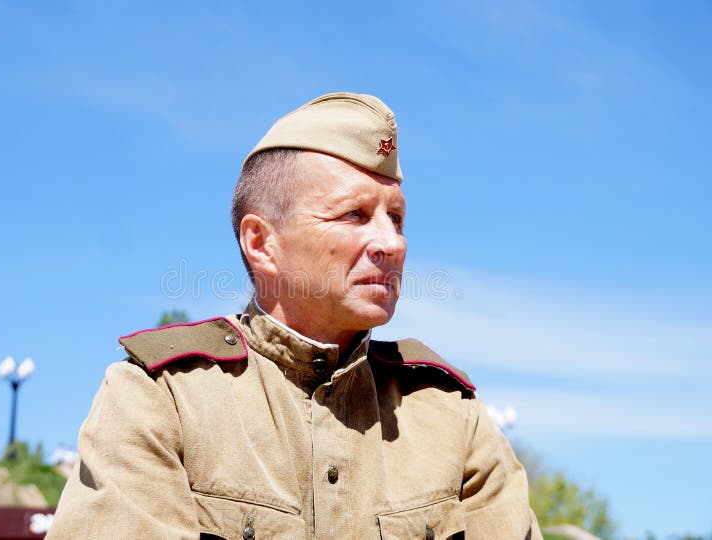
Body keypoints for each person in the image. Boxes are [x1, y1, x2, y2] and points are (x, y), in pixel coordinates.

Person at [48, 92, 542, 539]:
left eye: (397, 218)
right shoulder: (163, 398)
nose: (392, 243)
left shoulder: (449, 415)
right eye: (353, 214)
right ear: (261, 243)